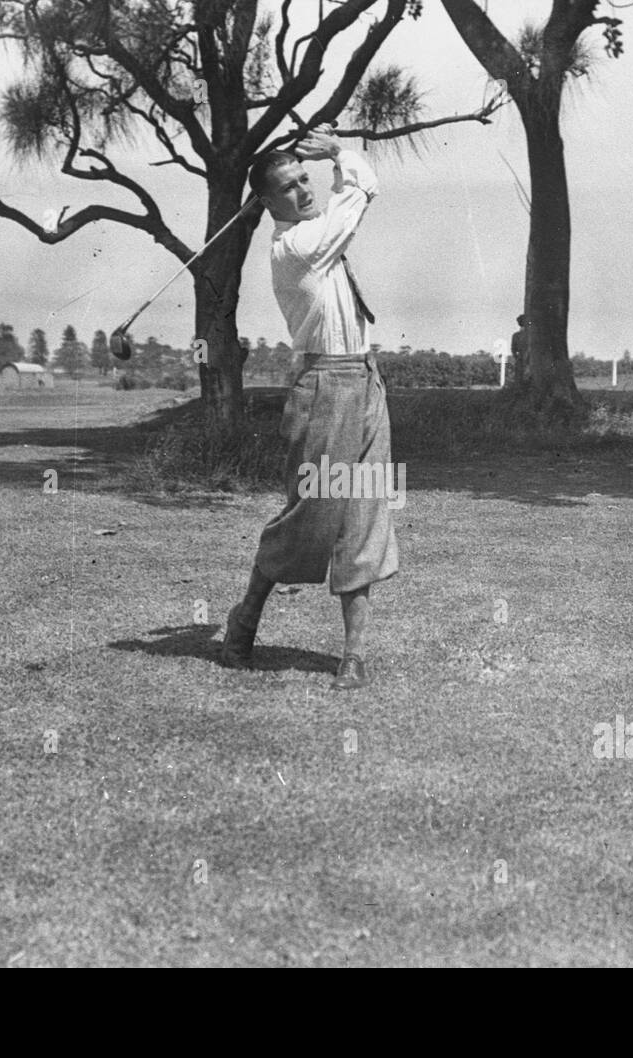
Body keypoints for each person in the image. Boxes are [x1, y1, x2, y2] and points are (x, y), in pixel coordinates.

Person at [221, 125, 398, 691]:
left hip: (366, 380)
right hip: (323, 385)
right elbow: (360, 194)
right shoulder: (296, 246)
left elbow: (348, 197)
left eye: (305, 179)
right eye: (288, 187)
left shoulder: (317, 235)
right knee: (313, 513)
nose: (303, 191)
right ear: (266, 204)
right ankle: (245, 615)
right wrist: (340, 154)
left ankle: (354, 654)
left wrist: (334, 160)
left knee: (366, 510)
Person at [510, 314, 528, 387]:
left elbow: (513, 349)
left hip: (520, 358)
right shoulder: (530, 335)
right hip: (527, 358)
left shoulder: (515, 335)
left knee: (519, 378)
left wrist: (516, 357)